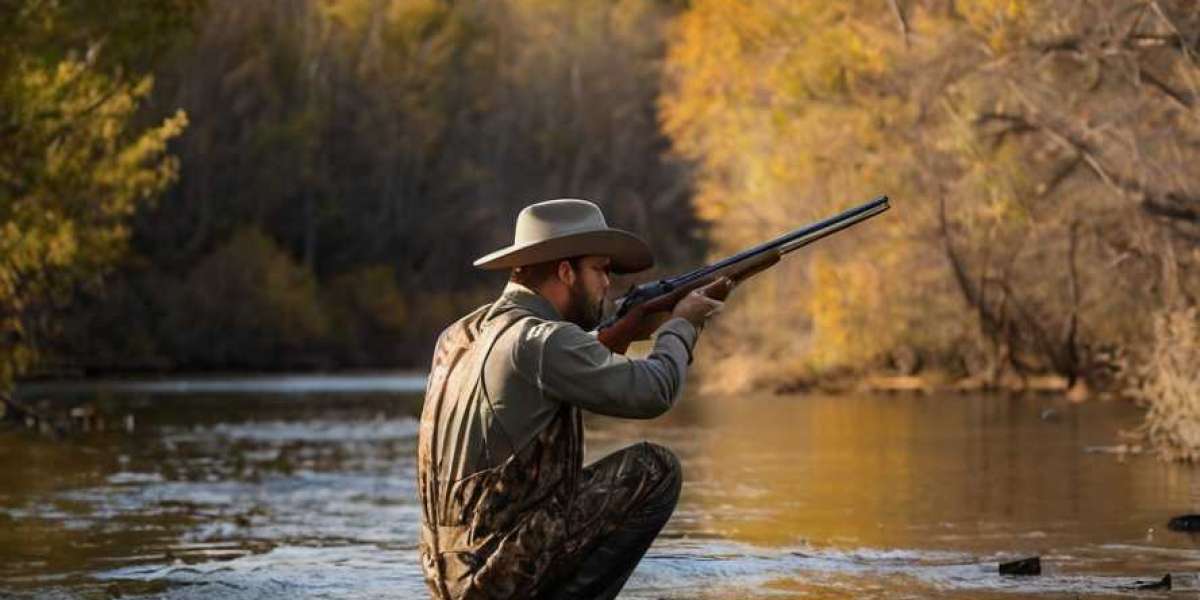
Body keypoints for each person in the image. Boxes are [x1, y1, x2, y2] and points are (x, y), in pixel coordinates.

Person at [417, 198, 731, 599]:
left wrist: (622, 334)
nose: (607, 285)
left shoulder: (460, 334)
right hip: (496, 580)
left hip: (448, 580)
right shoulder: (540, 339)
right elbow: (655, 392)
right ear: (565, 271)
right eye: (600, 270)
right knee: (655, 469)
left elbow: (536, 375)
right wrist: (683, 325)